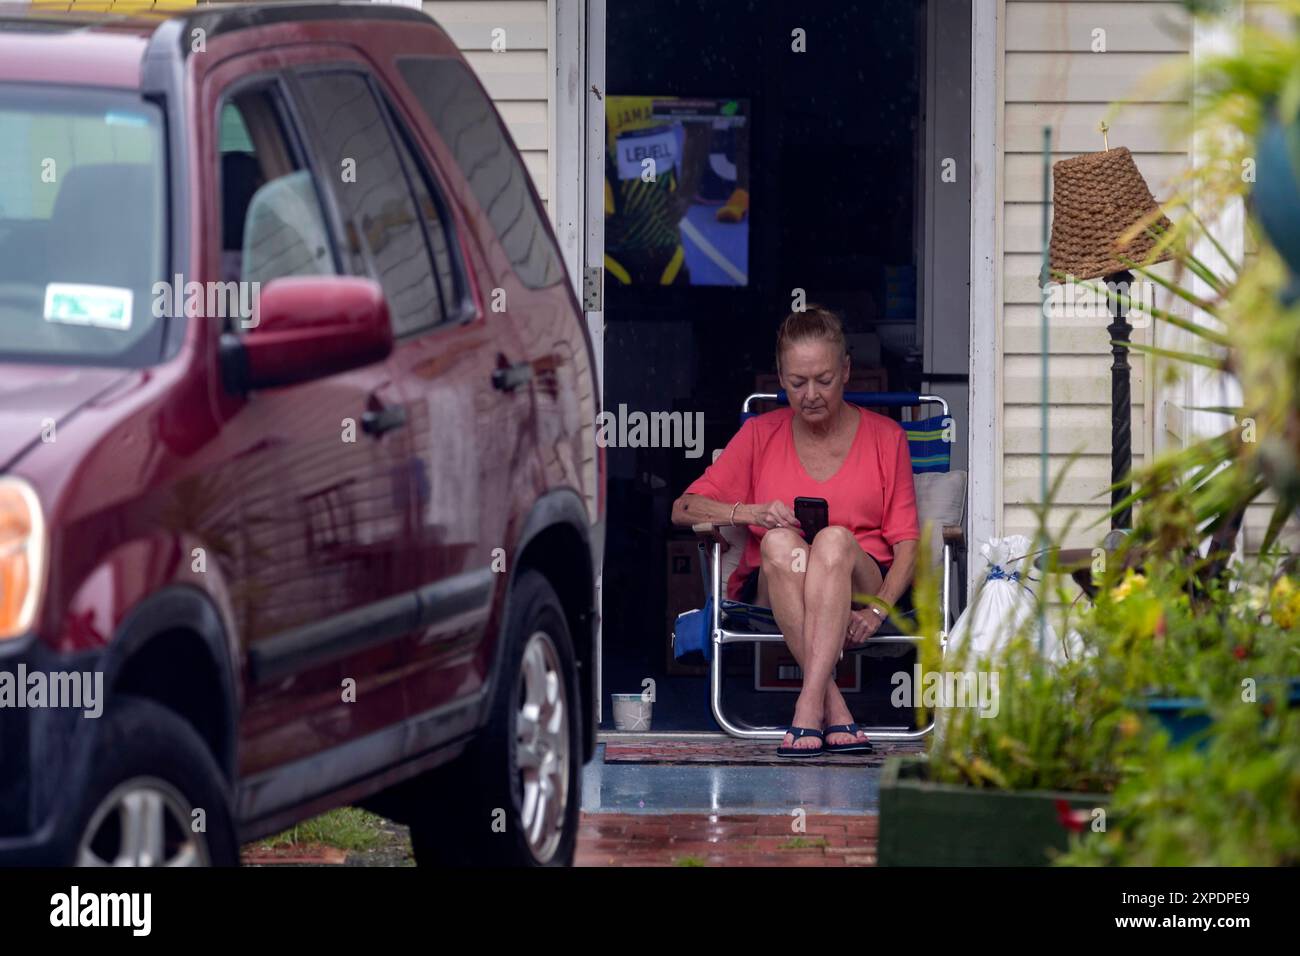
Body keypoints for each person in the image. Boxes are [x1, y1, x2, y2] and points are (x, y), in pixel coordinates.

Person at [671, 305, 919, 755]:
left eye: (823, 380)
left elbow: (907, 545)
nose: (810, 395)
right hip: (779, 586)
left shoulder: (887, 438)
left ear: (846, 371)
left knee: (833, 538)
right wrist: (752, 513)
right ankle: (829, 707)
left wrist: (880, 610)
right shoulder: (760, 434)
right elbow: (684, 508)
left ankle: (808, 712)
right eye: (797, 382)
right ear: (780, 377)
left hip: (860, 586)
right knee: (783, 541)